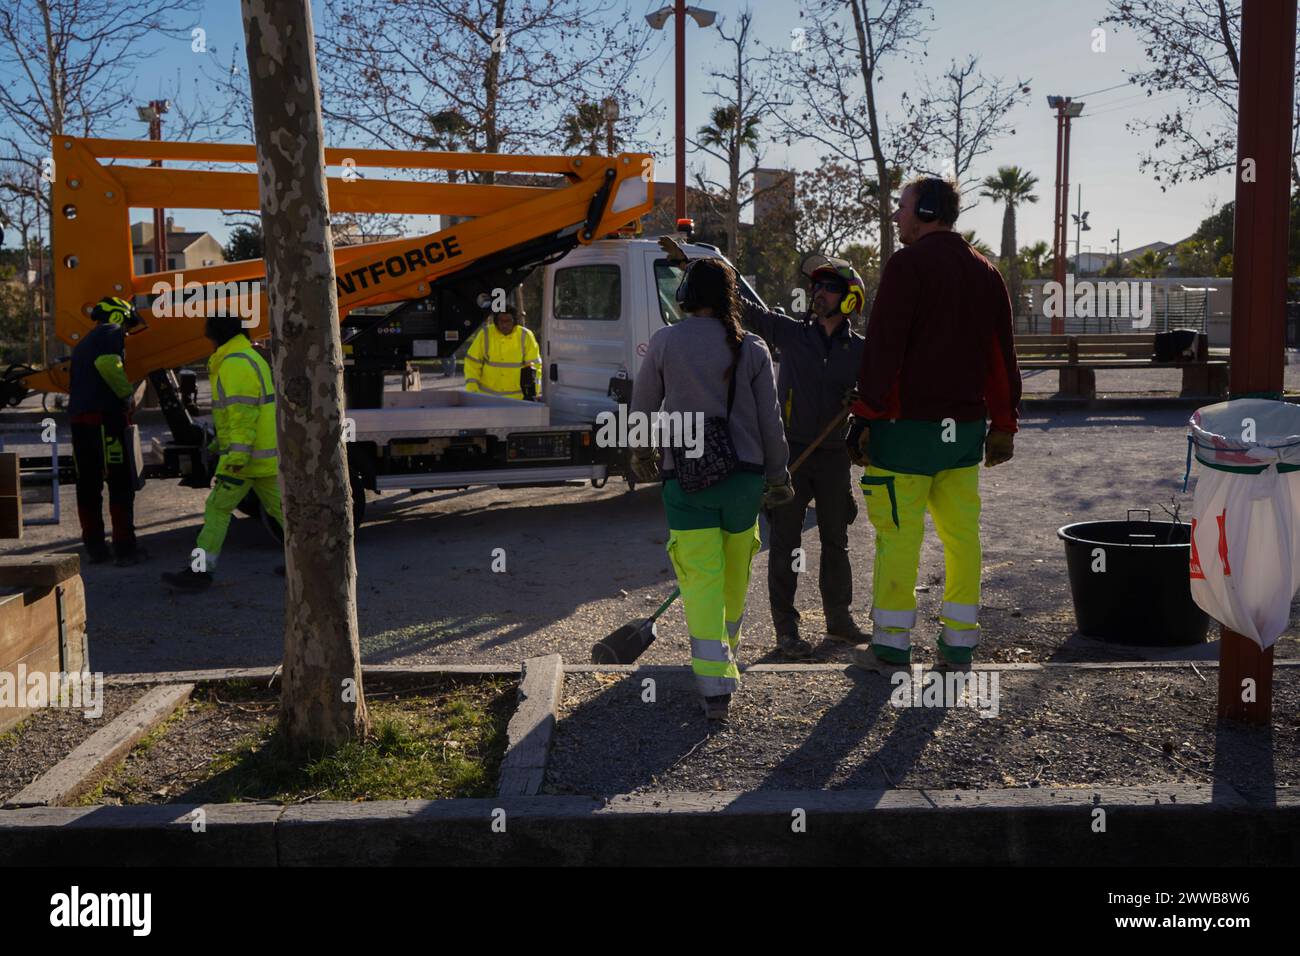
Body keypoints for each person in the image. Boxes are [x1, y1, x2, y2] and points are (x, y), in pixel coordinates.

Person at [848, 176, 1021, 667]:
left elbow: (884, 351)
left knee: (899, 539)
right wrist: (1004, 424)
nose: (896, 216)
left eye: (901, 208)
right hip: (963, 435)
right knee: (962, 538)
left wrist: (863, 416)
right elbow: (1001, 356)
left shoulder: (907, 267)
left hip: (906, 434)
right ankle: (960, 644)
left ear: (924, 210)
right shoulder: (987, 273)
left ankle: (890, 644)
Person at [629, 255, 792, 723]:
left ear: (684, 298)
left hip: (687, 481)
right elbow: (770, 423)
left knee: (700, 578)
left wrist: (642, 454)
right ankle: (727, 658)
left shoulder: (664, 342)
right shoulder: (753, 347)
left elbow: (642, 408)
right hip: (744, 481)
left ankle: (714, 686)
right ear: (730, 298)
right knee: (735, 576)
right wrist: (778, 477)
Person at [162, 315, 282, 591]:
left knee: (217, 509)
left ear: (218, 337)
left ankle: (200, 571)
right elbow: (242, 415)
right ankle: (312, 563)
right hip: (262, 456)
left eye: (210, 337)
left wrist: (234, 458)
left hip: (246, 460)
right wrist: (219, 445)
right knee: (282, 511)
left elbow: (242, 416)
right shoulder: (246, 357)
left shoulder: (234, 364)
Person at [67, 296, 147, 566]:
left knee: (88, 485)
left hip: (79, 420)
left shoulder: (85, 342)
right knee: (120, 482)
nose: (125, 330)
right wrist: (127, 396)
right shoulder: (110, 332)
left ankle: (95, 548)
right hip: (104, 419)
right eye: (126, 324)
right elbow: (107, 364)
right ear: (117, 316)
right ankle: (125, 548)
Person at [463, 290, 542, 401]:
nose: (504, 324)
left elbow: (534, 367)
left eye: (508, 321)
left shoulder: (526, 336)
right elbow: (472, 363)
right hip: (488, 398)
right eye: (501, 321)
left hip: (517, 399)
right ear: (496, 321)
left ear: (514, 321)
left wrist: (534, 393)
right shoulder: (485, 334)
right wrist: (472, 390)